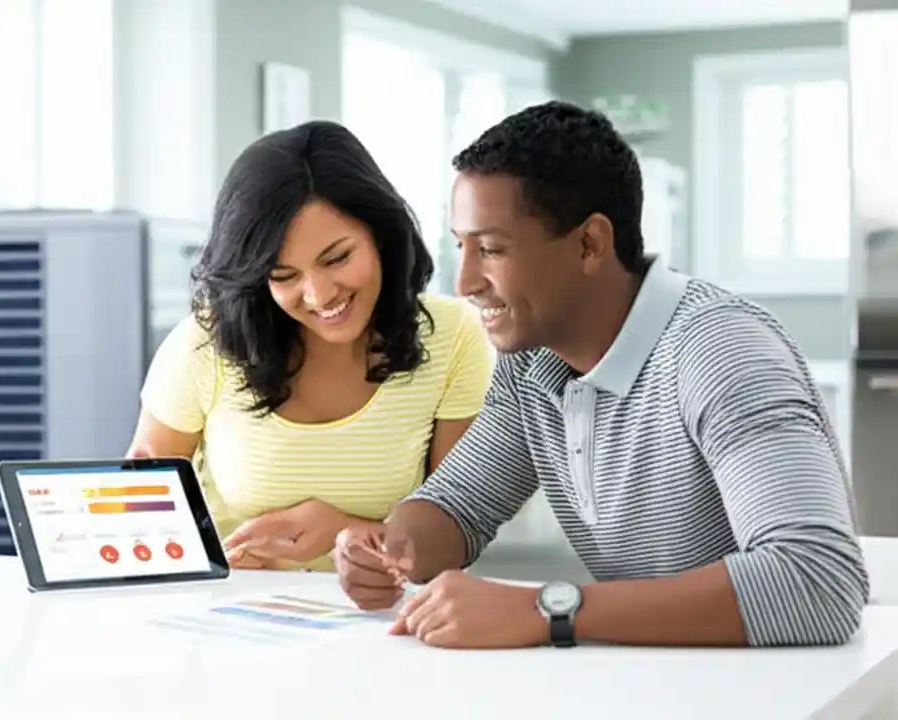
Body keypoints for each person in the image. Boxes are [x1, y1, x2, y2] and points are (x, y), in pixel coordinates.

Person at [334, 101, 869, 648]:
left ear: (590, 243)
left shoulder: (721, 349)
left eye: (492, 249)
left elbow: (815, 582)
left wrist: (545, 610)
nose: (467, 280)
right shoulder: (531, 364)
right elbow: (458, 505)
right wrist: (389, 547)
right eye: (461, 247)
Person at [128, 120, 493, 571]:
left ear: (380, 236)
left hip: (384, 619)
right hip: (226, 613)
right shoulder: (206, 342)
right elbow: (138, 513)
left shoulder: (453, 336)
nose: (320, 296)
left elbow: (454, 531)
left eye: (337, 258)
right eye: (284, 277)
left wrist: (344, 528)